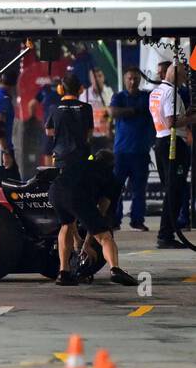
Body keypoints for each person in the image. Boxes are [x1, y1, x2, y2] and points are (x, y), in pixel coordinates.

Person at [47, 73, 137, 286]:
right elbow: (99, 214)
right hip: (77, 179)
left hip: (57, 183)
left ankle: (64, 272)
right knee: (104, 235)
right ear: (80, 89)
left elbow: (49, 131)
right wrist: (88, 242)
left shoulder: (53, 109)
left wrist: (80, 242)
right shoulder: (110, 178)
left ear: (61, 89)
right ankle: (115, 269)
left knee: (66, 226)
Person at [149, 61, 195, 249]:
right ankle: (165, 234)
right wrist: (192, 118)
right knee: (175, 190)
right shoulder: (171, 93)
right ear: (175, 75)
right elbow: (172, 122)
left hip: (161, 142)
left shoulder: (156, 92)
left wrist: (187, 113)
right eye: (184, 75)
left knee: (172, 189)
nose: (185, 79)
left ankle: (167, 232)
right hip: (172, 144)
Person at [109, 67, 154, 232]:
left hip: (141, 151)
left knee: (139, 190)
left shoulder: (146, 97)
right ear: (124, 79)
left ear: (140, 80)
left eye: (135, 78)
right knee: (116, 189)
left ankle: (137, 220)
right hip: (121, 151)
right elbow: (113, 112)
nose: (133, 82)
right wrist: (134, 111)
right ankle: (114, 220)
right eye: (130, 78)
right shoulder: (119, 97)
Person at [80, 67, 114, 151]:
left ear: (103, 77)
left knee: (106, 160)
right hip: (91, 138)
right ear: (91, 79)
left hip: (106, 137)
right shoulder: (84, 96)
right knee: (91, 160)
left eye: (99, 76)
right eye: (94, 77)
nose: (97, 79)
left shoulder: (110, 93)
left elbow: (113, 114)